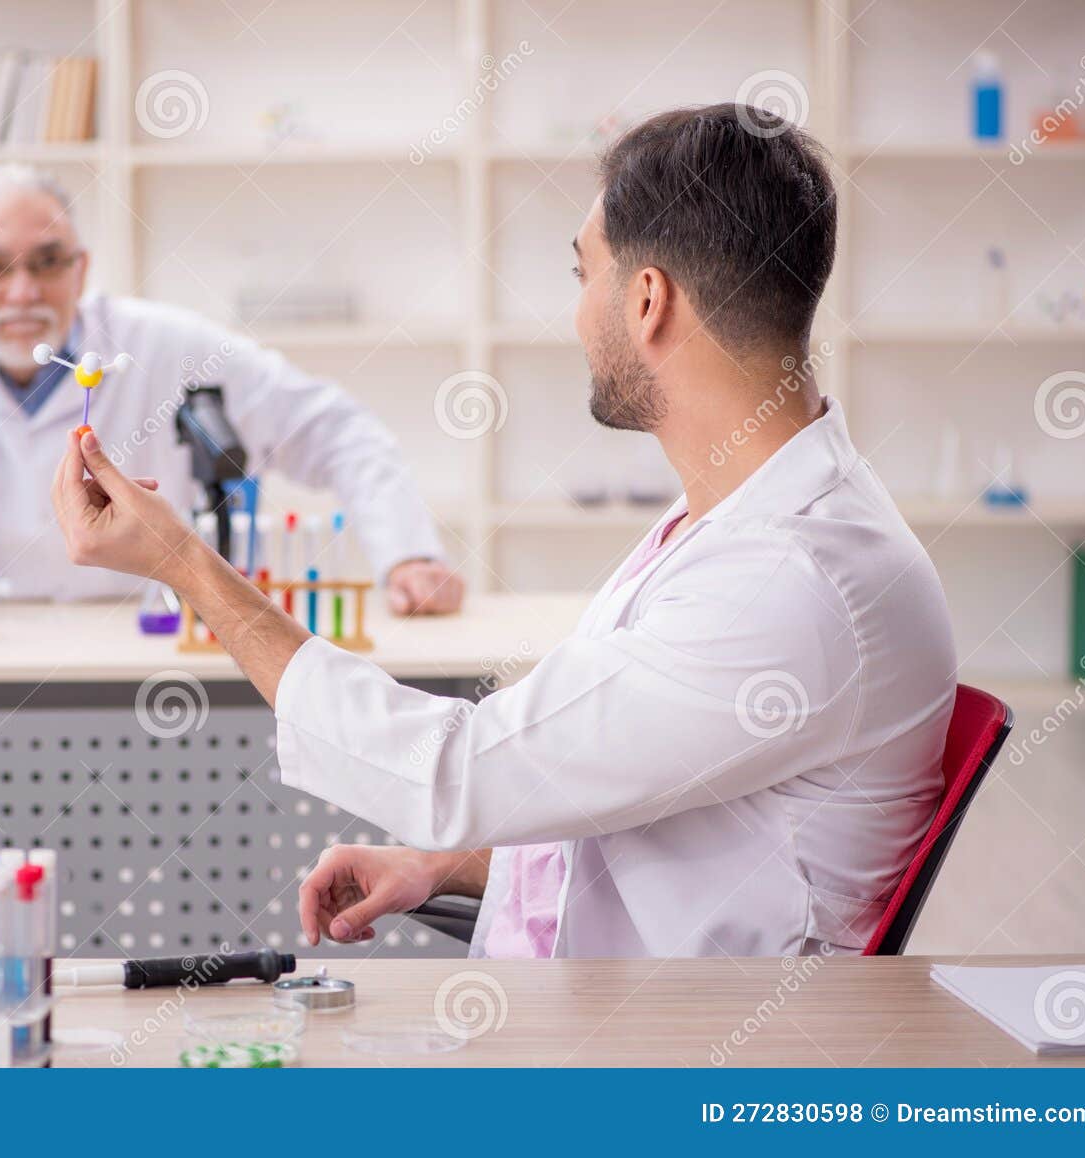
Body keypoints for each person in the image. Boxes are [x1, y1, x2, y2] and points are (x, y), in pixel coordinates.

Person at [48, 105, 958, 959]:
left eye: (581, 274)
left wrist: (182, 563)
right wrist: (443, 867)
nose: (575, 312)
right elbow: (634, 788)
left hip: (690, 1066)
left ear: (647, 301)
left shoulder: (785, 578)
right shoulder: (753, 523)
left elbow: (453, 772)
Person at [0, 164, 462, 615]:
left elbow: (338, 432)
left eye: (47, 262)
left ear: (82, 269)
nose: (21, 292)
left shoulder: (170, 347)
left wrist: (406, 554)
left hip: (141, 655)